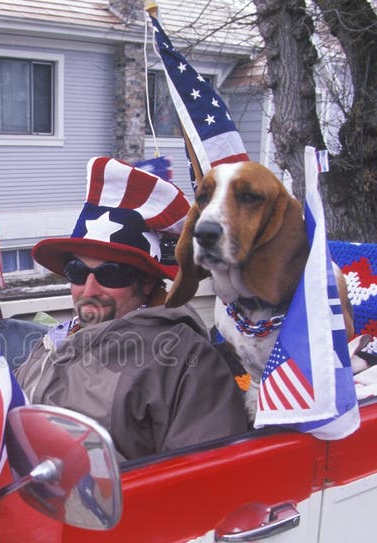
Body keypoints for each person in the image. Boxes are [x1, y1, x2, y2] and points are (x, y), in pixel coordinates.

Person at [14, 157, 248, 460]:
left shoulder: (182, 359)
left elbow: (202, 478)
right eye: (76, 271)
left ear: (147, 283)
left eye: (112, 273)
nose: (89, 290)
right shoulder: (55, 339)